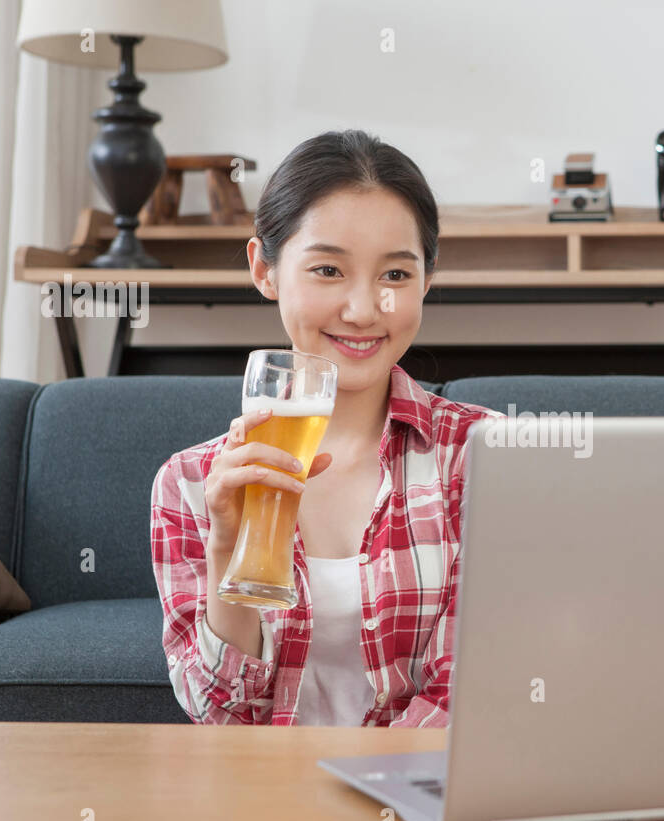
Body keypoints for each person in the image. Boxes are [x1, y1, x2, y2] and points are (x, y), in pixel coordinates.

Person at [150, 129, 503, 726]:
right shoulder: (187, 485)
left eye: (395, 276)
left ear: (427, 279)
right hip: (265, 805)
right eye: (327, 270)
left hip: (419, 799)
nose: (364, 310)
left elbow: (469, 693)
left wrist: (370, 803)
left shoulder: (484, 457)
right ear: (264, 269)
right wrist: (226, 552)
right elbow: (220, 717)